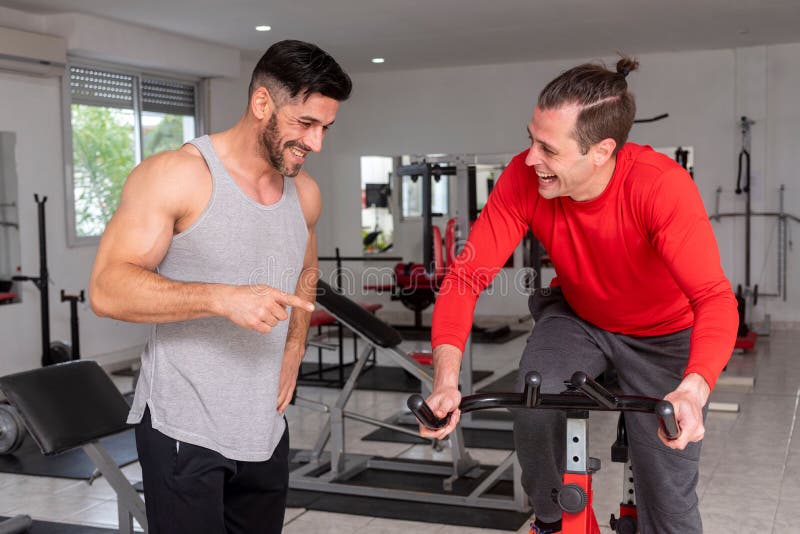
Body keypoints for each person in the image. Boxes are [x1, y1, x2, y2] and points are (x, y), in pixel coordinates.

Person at [420, 57, 737, 534]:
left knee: (669, 502)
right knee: (534, 402)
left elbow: (714, 297)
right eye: (530, 139)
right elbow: (465, 278)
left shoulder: (659, 186)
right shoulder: (523, 178)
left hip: (665, 336)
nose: (530, 158)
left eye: (547, 148)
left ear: (601, 150)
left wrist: (695, 386)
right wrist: (446, 380)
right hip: (578, 317)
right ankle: (551, 521)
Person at [89, 40, 352, 534]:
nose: (317, 143)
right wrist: (223, 297)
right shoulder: (178, 175)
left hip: (263, 424)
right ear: (261, 104)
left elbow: (304, 271)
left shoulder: (305, 193)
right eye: (305, 124)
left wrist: (295, 344)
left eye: (325, 128)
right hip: (183, 426)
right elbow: (107, 289)